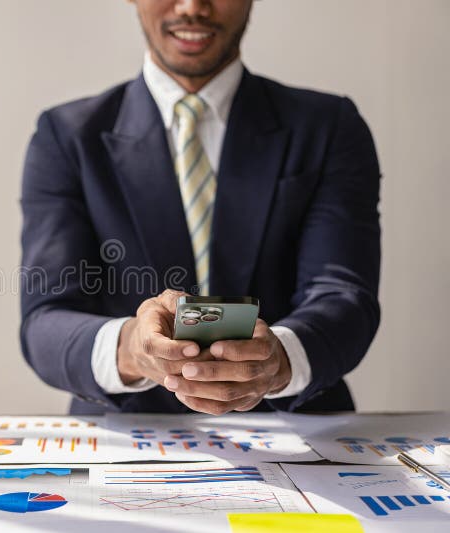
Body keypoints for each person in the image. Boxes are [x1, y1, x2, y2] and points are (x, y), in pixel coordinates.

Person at [19, 0, 380, 415]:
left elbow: (344, 296)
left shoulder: (329, 127)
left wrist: (280, 360)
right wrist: (133, 348)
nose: (193, 7)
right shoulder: (66, 137)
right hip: (129, 436)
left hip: (299, 431)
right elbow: (45, 320)